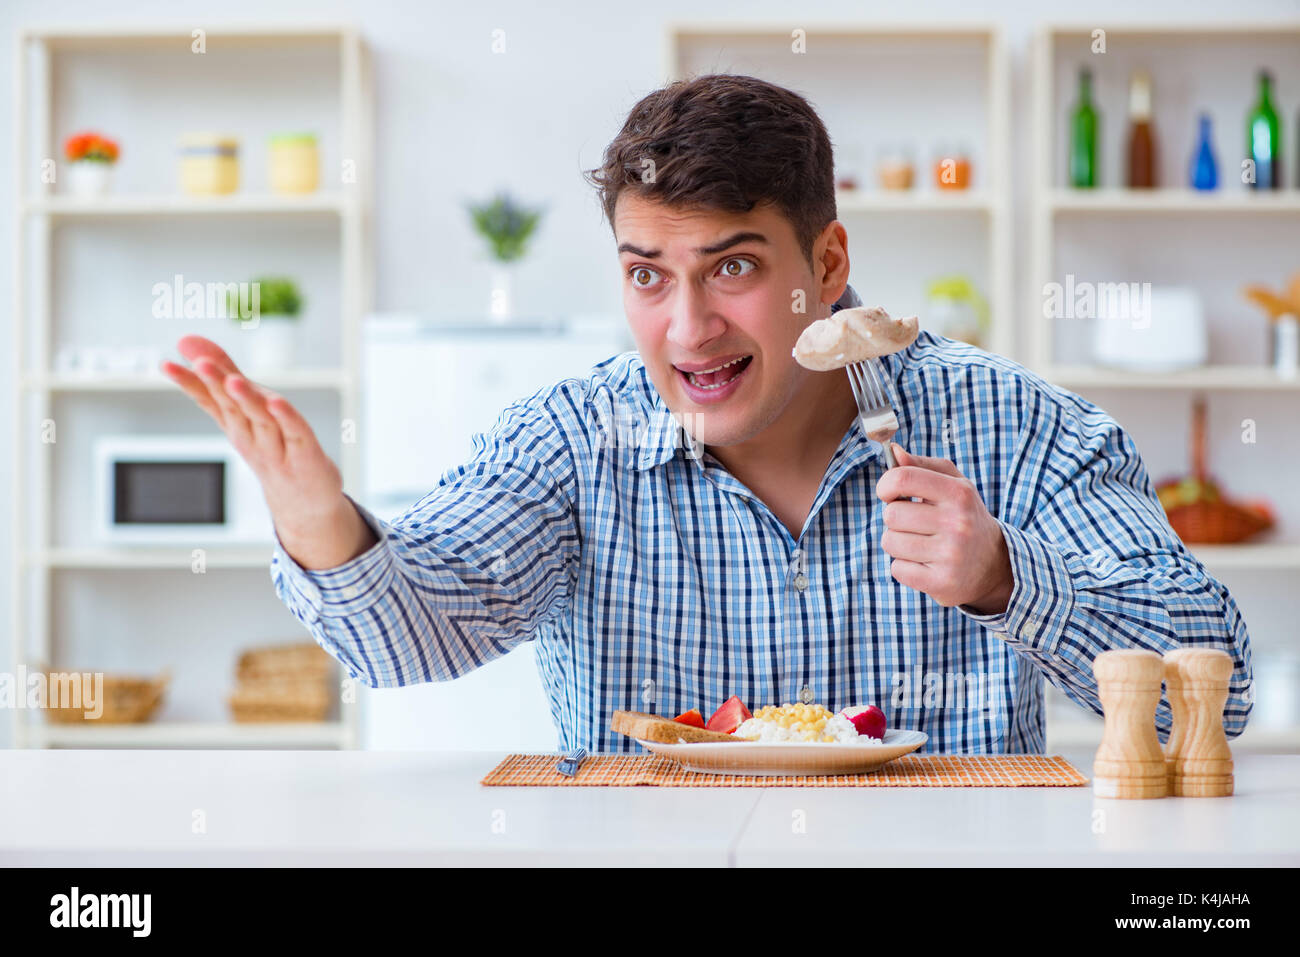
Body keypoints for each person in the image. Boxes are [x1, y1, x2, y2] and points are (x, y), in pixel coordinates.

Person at [164, 73, 1253, 753]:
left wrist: (1010, 580)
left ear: (826, 263)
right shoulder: (569, 442)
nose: (686, 328)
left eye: (731, 268)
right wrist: (318, 521)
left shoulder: (1013, 427)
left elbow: (1219, 696)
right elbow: (411, 645)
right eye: (646, 275)